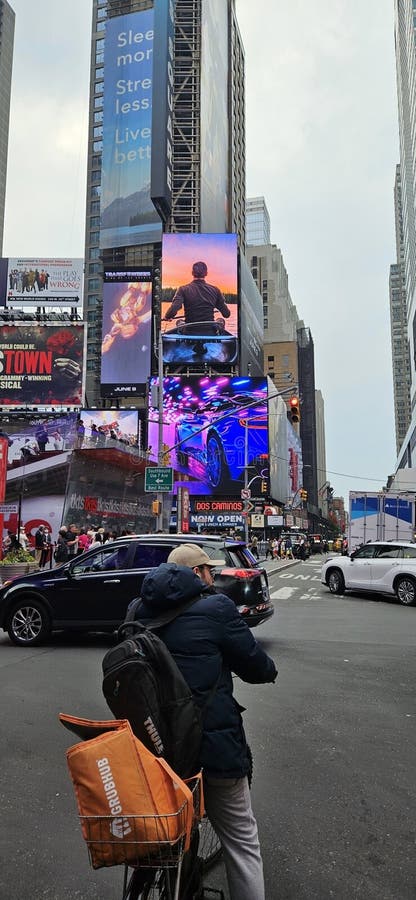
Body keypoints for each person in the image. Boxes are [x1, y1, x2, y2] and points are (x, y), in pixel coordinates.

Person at [133, 544, 277, 900]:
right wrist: (266, 672)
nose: (213, 577)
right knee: (242, 838)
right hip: (210, 748)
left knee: (163, 832)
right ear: (195, 575)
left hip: (154, 749)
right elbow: (256, 665)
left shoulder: (136, 609)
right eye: (209, 571)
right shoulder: (216, 608)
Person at [164, 261, 231, 333]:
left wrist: (167, 317)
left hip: (189, 331)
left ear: (192, 273)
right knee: (221, 320)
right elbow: (226, 314)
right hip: (209, 331)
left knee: (179, 322)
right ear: (206, 273)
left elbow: (173, 309)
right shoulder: (215, 290)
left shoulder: (183, 289)